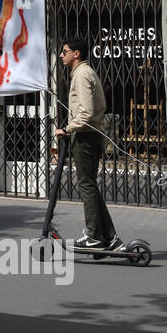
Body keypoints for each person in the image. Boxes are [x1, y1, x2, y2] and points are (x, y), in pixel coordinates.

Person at [55, 36, 121, 250]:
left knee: (86, 184)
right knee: (89, 184)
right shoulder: (83, 72)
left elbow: (86, 111)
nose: (61, 55)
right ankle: (108, 236)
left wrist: (67, 129)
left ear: (77, 54)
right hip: (88, 134)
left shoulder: (82, 74)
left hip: (86, 136)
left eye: (65, 51)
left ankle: (94, 235)